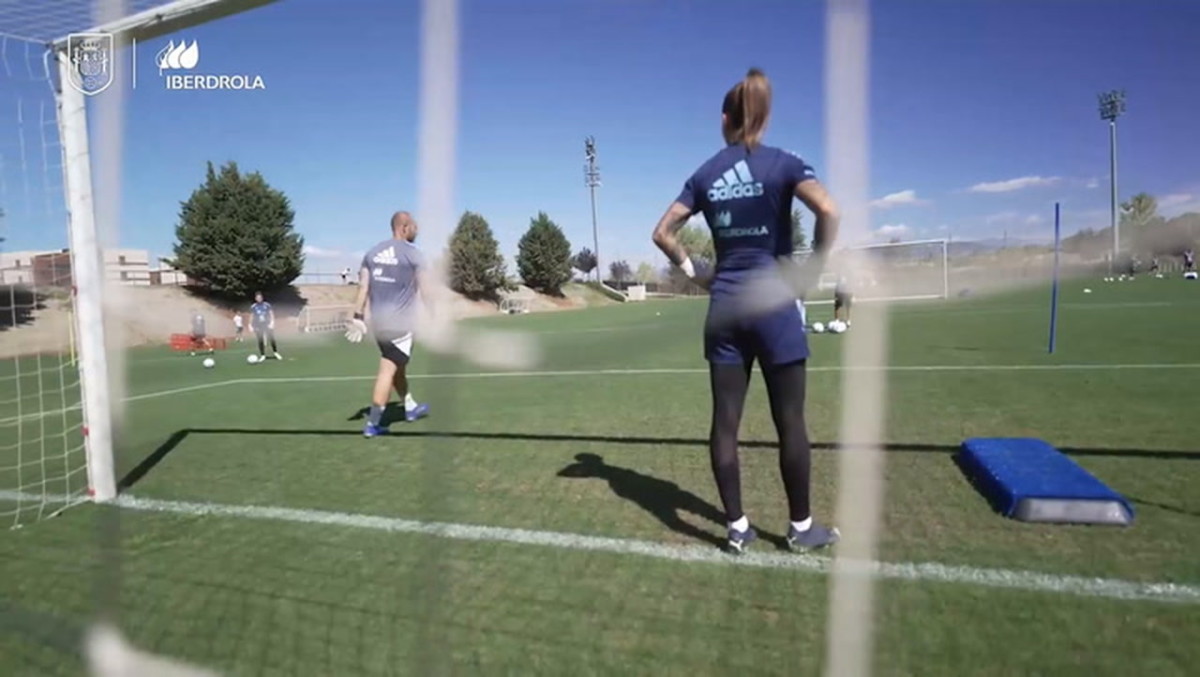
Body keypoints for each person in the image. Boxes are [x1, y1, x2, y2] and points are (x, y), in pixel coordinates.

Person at [651, 68, 841, 554]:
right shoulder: (784, 163)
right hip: (774, 304)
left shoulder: (705, 173)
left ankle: (736, 527)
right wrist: (813, 268)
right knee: (791, 421)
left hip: (725, 307)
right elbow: (829, 211)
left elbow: (662, 232)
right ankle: (800, 529)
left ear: (724, 119)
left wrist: (698, 273)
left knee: (725, 424)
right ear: (764, 114)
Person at [345, 211, 431, 437]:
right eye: (414, 226)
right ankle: (374, 423)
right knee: (388, 369)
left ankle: (410, 407)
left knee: (397, 366)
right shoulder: (414, 254)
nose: (417, 230)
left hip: (380, 327)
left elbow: (363, 287)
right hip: (401, 326)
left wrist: (357, 317)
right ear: (403, 227)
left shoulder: (372, 253)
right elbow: (426, 289)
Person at [249, 291, 281, 361]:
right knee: (260, 340)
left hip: (267, 324)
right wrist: (250, 325)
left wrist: (272, 322)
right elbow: (251, 316)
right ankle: (263, 355)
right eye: (257, 298)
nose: (259, 299)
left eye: (260, 297)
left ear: (262, 298)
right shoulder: (253, 306)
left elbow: (271, 313)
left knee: (271, 338)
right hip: (258, 325)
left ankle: (275, 352)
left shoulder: (267, 305)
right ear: (255, 298)